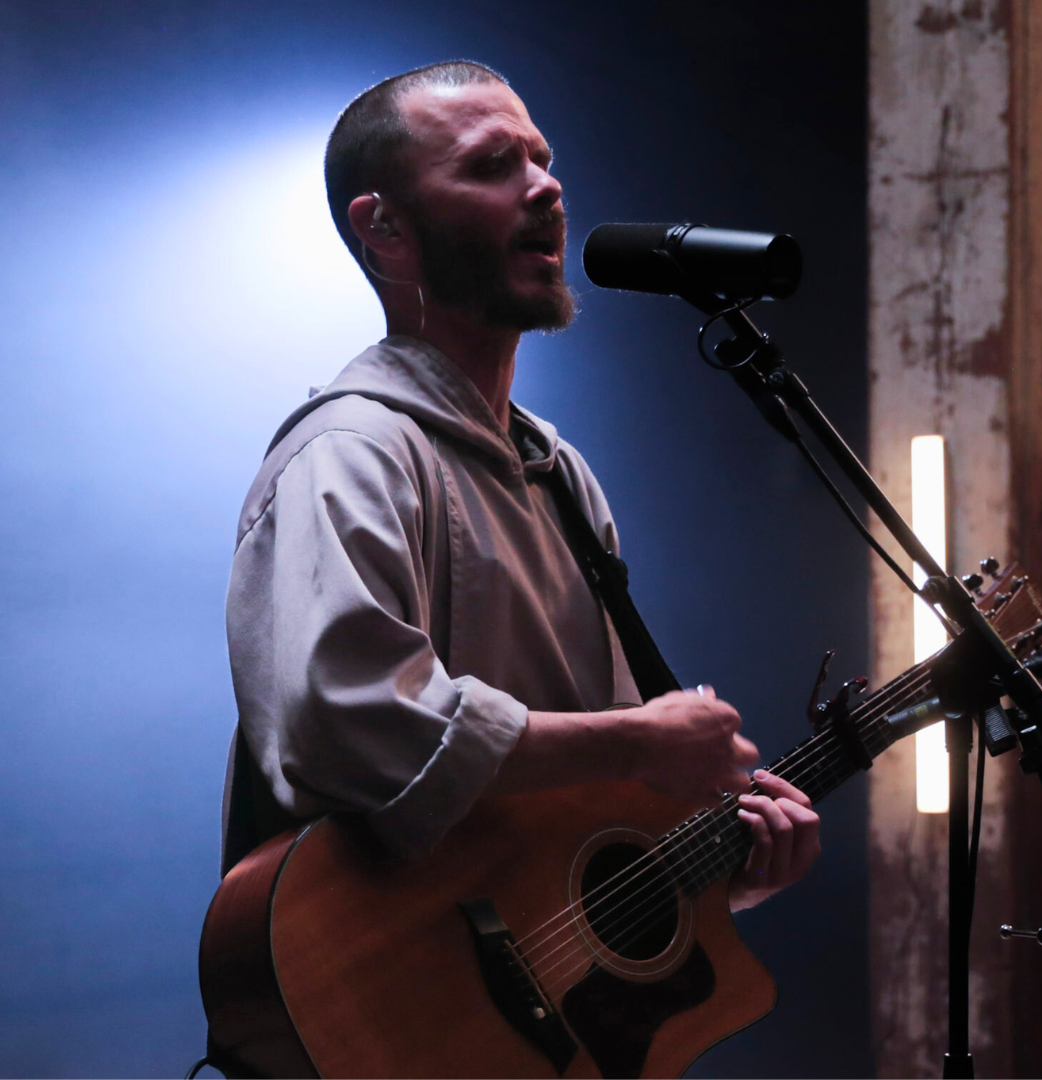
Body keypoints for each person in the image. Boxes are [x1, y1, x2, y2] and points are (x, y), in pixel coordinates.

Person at [224, 60, 820, 914]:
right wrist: (635, 741)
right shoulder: (350, 451)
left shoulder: (559, 472)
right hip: (384, 1003)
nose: (546, 187)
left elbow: (595, 809)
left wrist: (725, 867)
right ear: (385, 228)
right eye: (491, 164)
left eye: (541, 159)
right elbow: (349, 725)